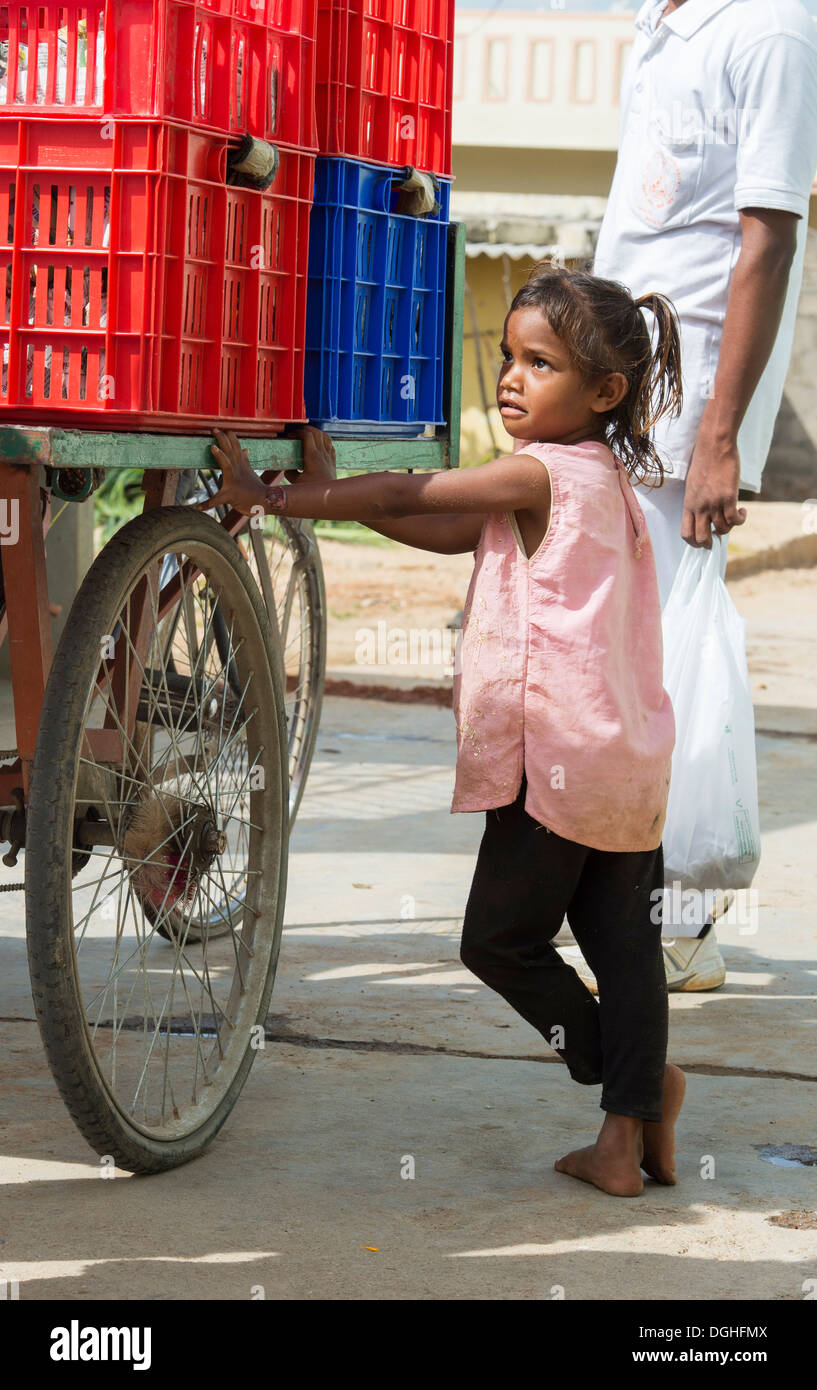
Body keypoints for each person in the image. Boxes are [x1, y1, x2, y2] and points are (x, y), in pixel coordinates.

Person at [202, 264, 687, 1198]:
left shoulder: (537, 471)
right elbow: (448, 528)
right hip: (629, 763)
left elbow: (411, 496)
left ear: (605, 391)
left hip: (557, 765)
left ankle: (638, 1088)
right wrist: (338, 490)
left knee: (497, 943)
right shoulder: (604, 487)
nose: (510, 376)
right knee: (624, 951)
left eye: (537, 363)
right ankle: (625, 1136)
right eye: (507, 357)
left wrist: (282, 500)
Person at [593, 0, 817, 990]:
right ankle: (644, 909)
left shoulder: (770, 27)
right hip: (628, 378)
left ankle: (678, 926)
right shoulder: (661, 23)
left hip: (689, 409)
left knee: (670, 651)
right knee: (632, 644)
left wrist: (720, 438)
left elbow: (766, 239)